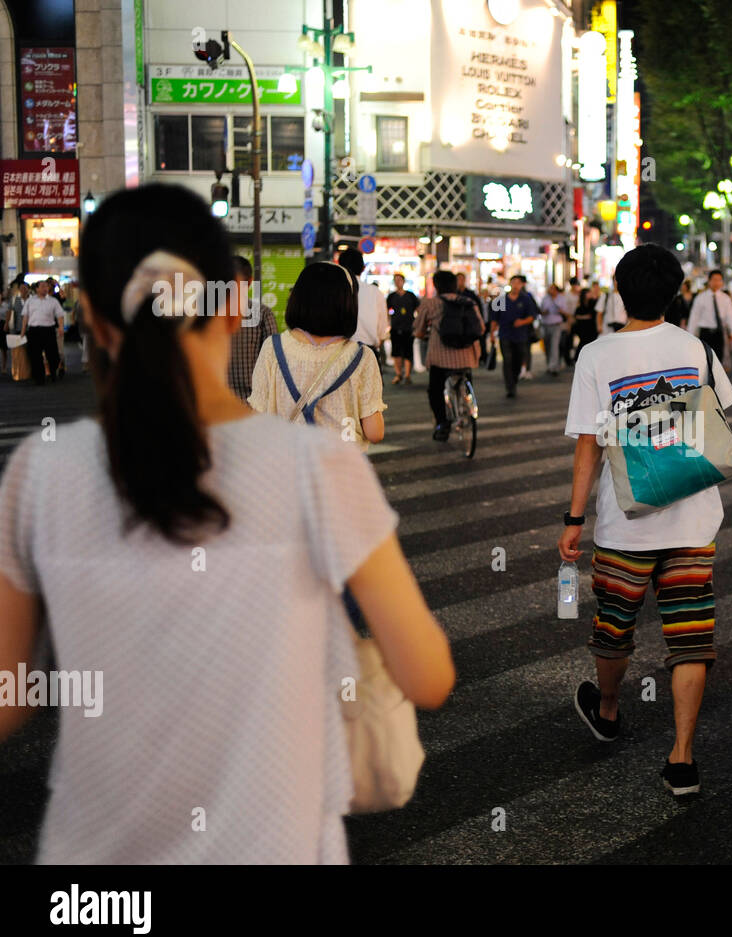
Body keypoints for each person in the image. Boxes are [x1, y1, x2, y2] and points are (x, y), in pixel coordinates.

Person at [0, 183, 453, 864]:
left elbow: (10, 696)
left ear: (89, 317)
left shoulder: (42, 471)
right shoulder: (319, 467)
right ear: (234, 305)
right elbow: (427, 676)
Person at [560, 243, 732, 798]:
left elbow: (588, 447)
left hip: (625, 521)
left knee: (614, 627)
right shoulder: (697, 349)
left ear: (619, 291)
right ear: (676, 293)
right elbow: (717, 416)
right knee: (689, 638)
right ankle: (682, 756)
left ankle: (609, 708)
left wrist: (573, 519)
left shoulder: (597, 354)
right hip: (693, 519)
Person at [251, 262, 387, 453]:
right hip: (342, 471)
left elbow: (258, 419)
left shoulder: (273, 349)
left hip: (286, 468)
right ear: (347, 303)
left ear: (297, 299)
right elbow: (375, 432)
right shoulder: (361, 356)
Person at [414, 269, 484, 442]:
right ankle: (467, 402)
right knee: (465, 378)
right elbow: (481, 328)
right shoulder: (468, 301)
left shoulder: (430, 303)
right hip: (467, 356)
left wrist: (423, 334)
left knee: (435, 390)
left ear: (436, 286)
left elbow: (418, 330)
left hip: (441, 357)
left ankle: (442, 423)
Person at [226, 256, 278, 403]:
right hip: (253, 406)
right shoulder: (263, 314)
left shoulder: (204, 315)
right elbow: (275, 363)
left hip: (213, 407)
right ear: (250, 282)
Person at [490, 274, 540, 399]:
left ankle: (515, 379)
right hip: (505, 334)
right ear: (510, 284)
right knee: (507, 360)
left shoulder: (526, 299)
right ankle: (510, 387)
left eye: (518, 283)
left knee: (517, 360)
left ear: (522, 285)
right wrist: (491, 333)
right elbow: (494, 319)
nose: (516, 285)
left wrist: (521, 322)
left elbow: (532, 316)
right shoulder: (501, 299)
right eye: (514, 282)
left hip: (521, 335)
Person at [339, 249, 388, 374]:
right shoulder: (375, 292)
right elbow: (382, 331)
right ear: (362, 268)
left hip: (338, 354)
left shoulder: (333, 292)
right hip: (368, 353)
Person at [687, 269, 732, 360]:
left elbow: (730, 315)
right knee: (704, 359)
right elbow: (694, 316)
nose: (717, 283)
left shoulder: (726, 298)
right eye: (714, 280)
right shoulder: (700, 298)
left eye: (719, 280)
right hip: (705, 333)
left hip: (719, 333)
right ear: (709, 281)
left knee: (718, 360)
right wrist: (690, 334)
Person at [20, 280, 64, 385]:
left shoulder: (53, 301)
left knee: (53, 355)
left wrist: (61, 327)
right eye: (43, 286)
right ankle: (39, 378)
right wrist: (22, 331)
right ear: (37, 289)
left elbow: (60, 315)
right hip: (34, 330)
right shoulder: (30, 301)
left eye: (46, 286)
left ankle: (53, 371)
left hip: (49, 330)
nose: (45, 288)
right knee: (35, 355)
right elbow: (25, 316)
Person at [386, 272, 419, 386]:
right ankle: (398, 374)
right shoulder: (391, 296)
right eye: (396, 280)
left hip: (408, 327)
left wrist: (417, 324)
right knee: (396, 352)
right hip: (395, 327)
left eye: (400, 280)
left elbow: (418, 309)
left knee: (408, 351)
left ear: (404, 281)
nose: (398, 282)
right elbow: (387, 311)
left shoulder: (411, 296)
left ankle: (407, 375)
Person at [539, 282, 567, 376]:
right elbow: (541, 311)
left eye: (553, 289)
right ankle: (549, 364)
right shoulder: (545, 299)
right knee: (547, 346)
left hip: (556, 324)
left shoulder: (561, 298)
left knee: (554, 345)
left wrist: (560, 311)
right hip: (546, 324)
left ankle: (554, 367)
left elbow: (566, 312)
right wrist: (544, 312)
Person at [571, 286, 599, 359]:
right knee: (583, 342)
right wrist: (585, 317)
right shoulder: (580, 304)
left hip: (591, 327)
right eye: (588, 293)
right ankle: (577, 357)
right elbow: (576, 315)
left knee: (590, 343)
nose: (590, 294)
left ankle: (585, 358)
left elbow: (594, 314)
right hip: (582, 327)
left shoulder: (593, 302)